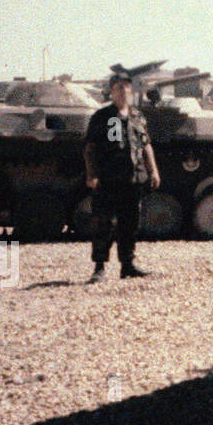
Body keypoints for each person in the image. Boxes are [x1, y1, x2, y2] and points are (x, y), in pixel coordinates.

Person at [83, 72, 160, 282]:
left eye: (127, 87)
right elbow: (90, 148)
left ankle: (128, 264)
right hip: (108, 179)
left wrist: (153, 171)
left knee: (130, 223)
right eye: (119, 87)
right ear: (111, 92)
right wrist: (92, 175)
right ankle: (99, 268)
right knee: (103, 223)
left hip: (132, 179)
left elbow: (146, 145)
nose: (124, 91)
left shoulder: (138, 116)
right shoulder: (101, 117)